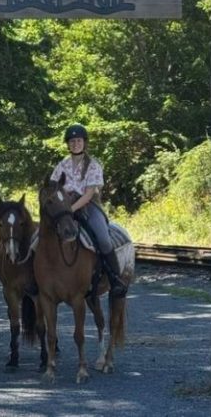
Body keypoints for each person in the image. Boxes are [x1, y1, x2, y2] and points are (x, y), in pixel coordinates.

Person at [50, 123, 127, 297]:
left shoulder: (93, 165)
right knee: (41, 234)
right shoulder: (61, 165)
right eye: (72, 141)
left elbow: (88, 194)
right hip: (63, 207)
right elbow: (53, 188)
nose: (75, 144)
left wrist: (69, 209)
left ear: (84, 143)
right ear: (67, 144)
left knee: (103, 239)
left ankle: (115, 279)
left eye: (78, 140)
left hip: (87, 206)